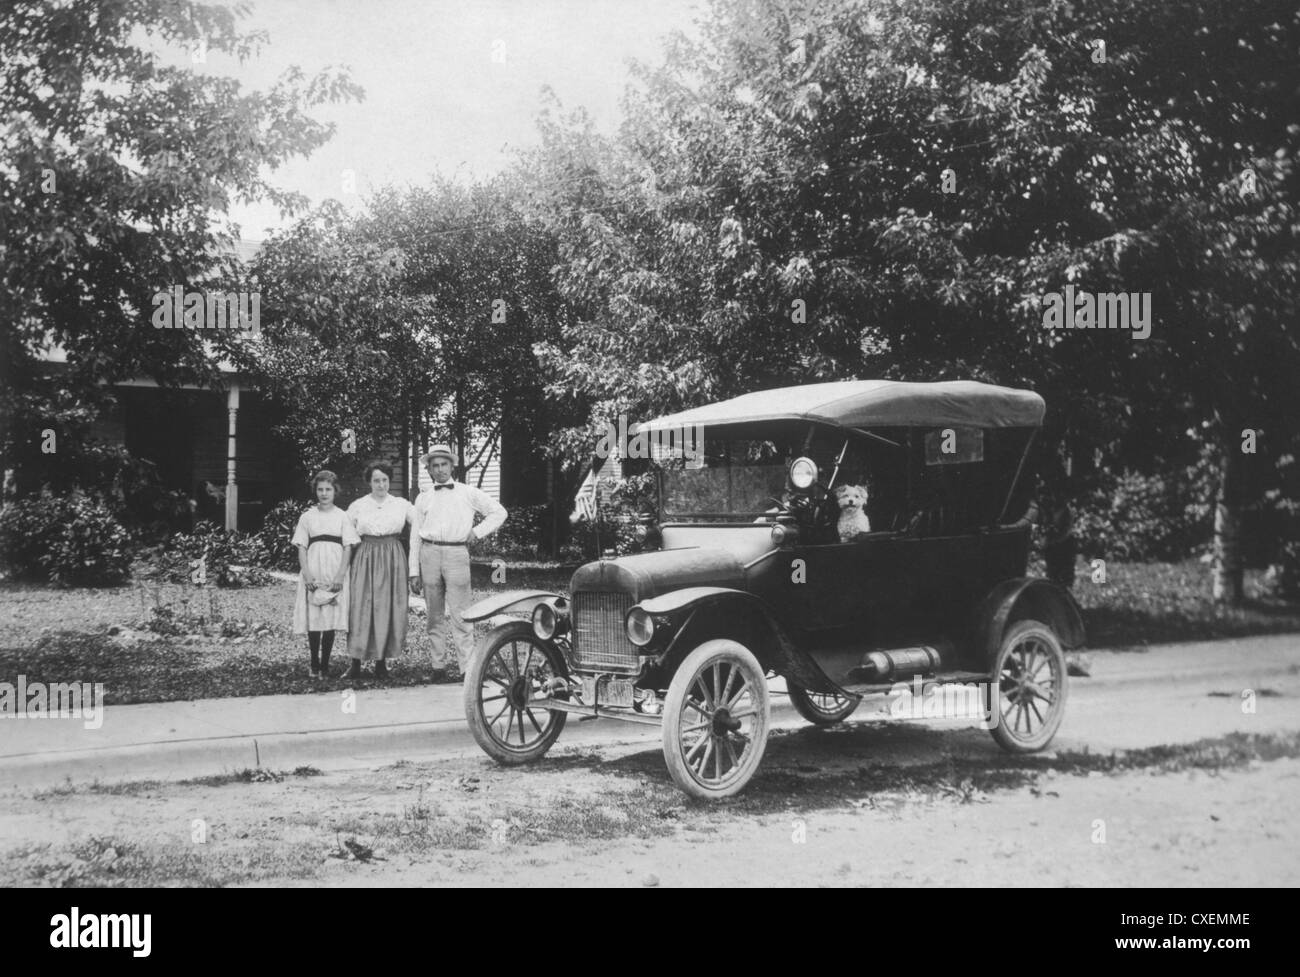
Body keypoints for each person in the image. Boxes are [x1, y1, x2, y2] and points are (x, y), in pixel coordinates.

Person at [409, 445, 507, 673]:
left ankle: (467, 669)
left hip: (457, 553)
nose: (440, 469)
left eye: (444, 464)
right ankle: (437, 666)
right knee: (434, 615)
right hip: (429, 553)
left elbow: (499, 512)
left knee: (462, 613)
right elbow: (415, 536)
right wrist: (414, 571)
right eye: (435, 466)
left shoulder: (467, 492)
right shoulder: (423, 498)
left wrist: (477, 532)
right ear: (429, 470)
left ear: (452, 466)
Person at [345, 460, 415, 681]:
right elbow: (345, 530)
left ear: (389, 481)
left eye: (384, 480)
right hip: (366, 555)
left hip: (393, 555)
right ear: (369, 482)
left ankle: (381, 663)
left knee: (386, 607)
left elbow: (423, 524)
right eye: (376, 480)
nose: (381, 484)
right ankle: (355, 662)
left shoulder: (401, 504)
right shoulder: (358, 505)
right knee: (360, 606)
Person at [292, 470, 359, 678]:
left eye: (328, 489)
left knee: (329, 618)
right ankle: (313, 663)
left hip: (334, 568)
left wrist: (340, 576)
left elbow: (348, 546)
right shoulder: (307, 517)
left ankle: (325, 664)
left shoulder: (342, 516)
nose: (323, 493)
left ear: (335, 491)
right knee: (314, 617)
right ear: (315, 491)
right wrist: (307, 575)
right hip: (313, 569)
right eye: (320, 489)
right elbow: (301, 547)